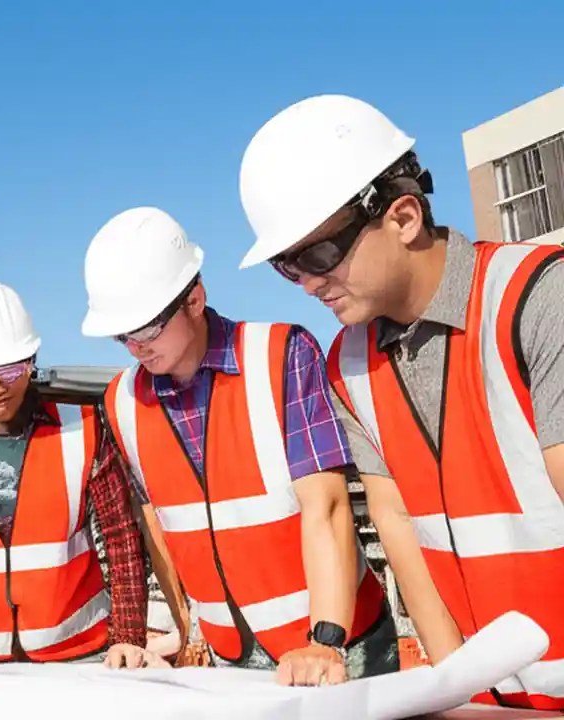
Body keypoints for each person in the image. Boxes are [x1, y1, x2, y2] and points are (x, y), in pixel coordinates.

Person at [237, 93, 564, 709]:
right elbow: (399, 528)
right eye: (288, 267)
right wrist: (459, 692)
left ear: (404, 217)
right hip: (496, 698)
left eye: (319, 254)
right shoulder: (349, 363)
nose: (308, 284)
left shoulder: (539, 300)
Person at [82, 207, 398, 685]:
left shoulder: (281, 356)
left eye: (146, 327)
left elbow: (327, 507)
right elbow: (158, 525)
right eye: (121, 333)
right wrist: (190, 630)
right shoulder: (122, 401)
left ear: (194, 299)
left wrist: (326, 640)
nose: (135, 346)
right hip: (233, 658)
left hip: (340, 650)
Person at [0, 280, 162, 671]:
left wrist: (128, 635)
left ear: (31, 361)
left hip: (81, 659)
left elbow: (121, 540)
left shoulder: (84, 432)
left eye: (10, 372)